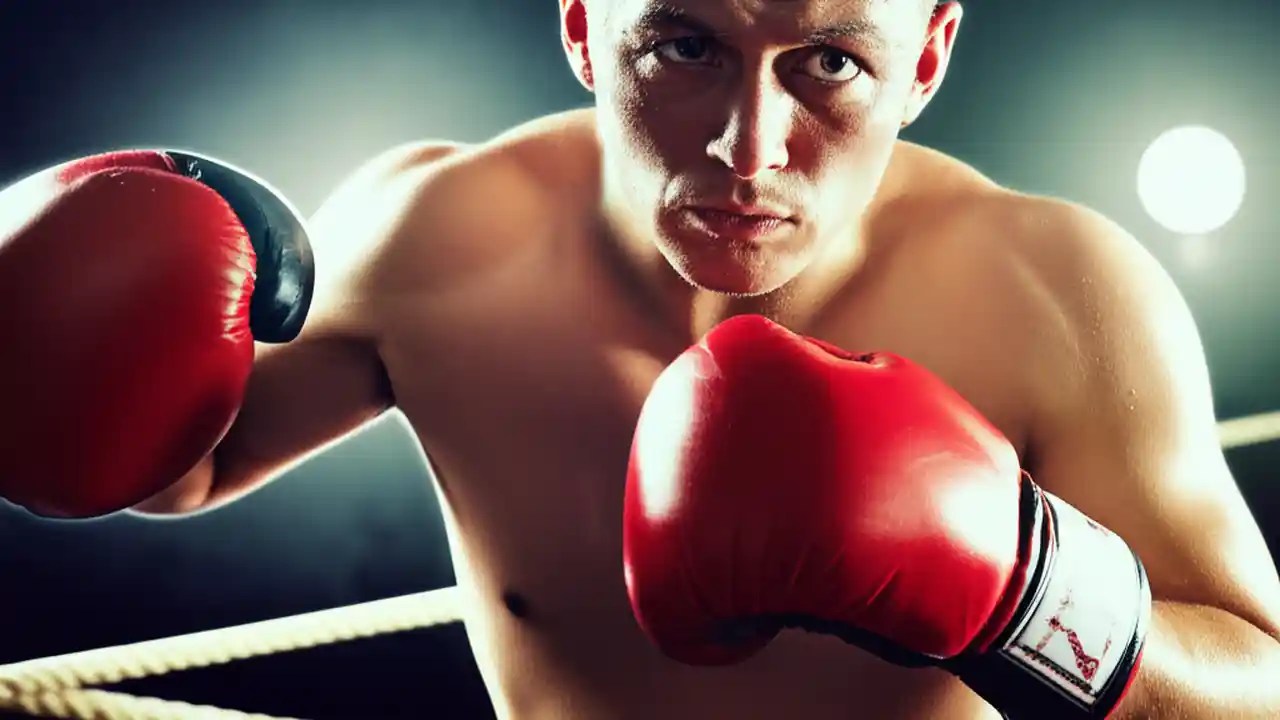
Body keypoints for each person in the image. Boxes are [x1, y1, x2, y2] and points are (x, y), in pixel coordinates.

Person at [2, 0, 1279, 717]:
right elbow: (170, 464)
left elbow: (1255, 690)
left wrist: (1012, 585)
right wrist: (50, 326)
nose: (746, 145)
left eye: (829, 62)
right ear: (580, 26)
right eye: (682, 49)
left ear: (928, 56)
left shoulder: (1055, 293)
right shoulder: (435, 238)